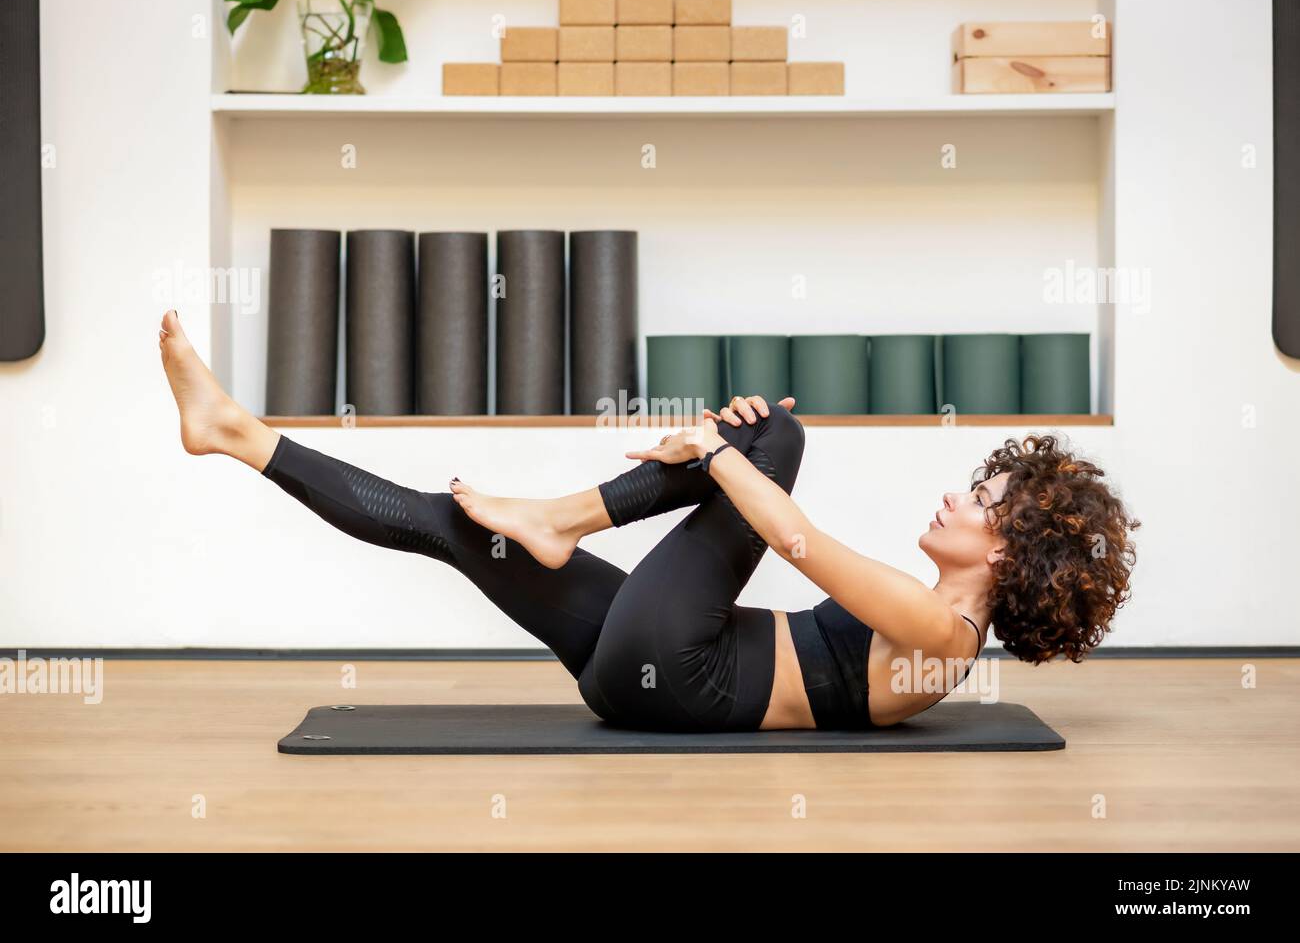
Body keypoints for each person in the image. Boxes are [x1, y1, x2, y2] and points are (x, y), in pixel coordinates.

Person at [158, 310, 1140, 732]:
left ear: (1005, 548)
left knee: (776, 441)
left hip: (681, 670)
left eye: (982, 502)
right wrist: (717, 453)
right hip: (651, 662)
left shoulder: (940, 635)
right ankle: (238, 433)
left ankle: (561, 516)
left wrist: (710, 451)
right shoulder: (940, 626)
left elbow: (797, 543)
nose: (956, 498)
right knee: (449, 526)